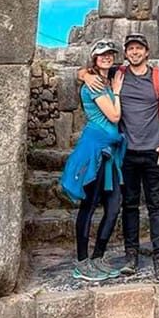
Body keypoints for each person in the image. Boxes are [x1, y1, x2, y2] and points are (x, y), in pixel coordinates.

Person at [79, 32, 159, 283]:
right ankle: (131, 257)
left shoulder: (157, 77)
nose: (134, 52)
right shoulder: (117, 73)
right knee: (129, 205)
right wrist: (85, 75)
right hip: (126, 153)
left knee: (156, 205)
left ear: (146, 52)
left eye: (138, 48)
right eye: (130, 48)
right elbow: (90, 69)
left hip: (154, 150)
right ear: (126, 52)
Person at [60, 39, 126, 282]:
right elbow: (114, 114)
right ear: (94, 59)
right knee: (89, 206)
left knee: (113, 205)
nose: (107, 57)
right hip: (95, 151)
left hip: (110, 153)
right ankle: (81, 262)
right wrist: (115, 91)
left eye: (110, 54)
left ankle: (98, 257)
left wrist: (84, 75)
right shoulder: (97, 83)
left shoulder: (108, 79)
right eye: (102, 55)